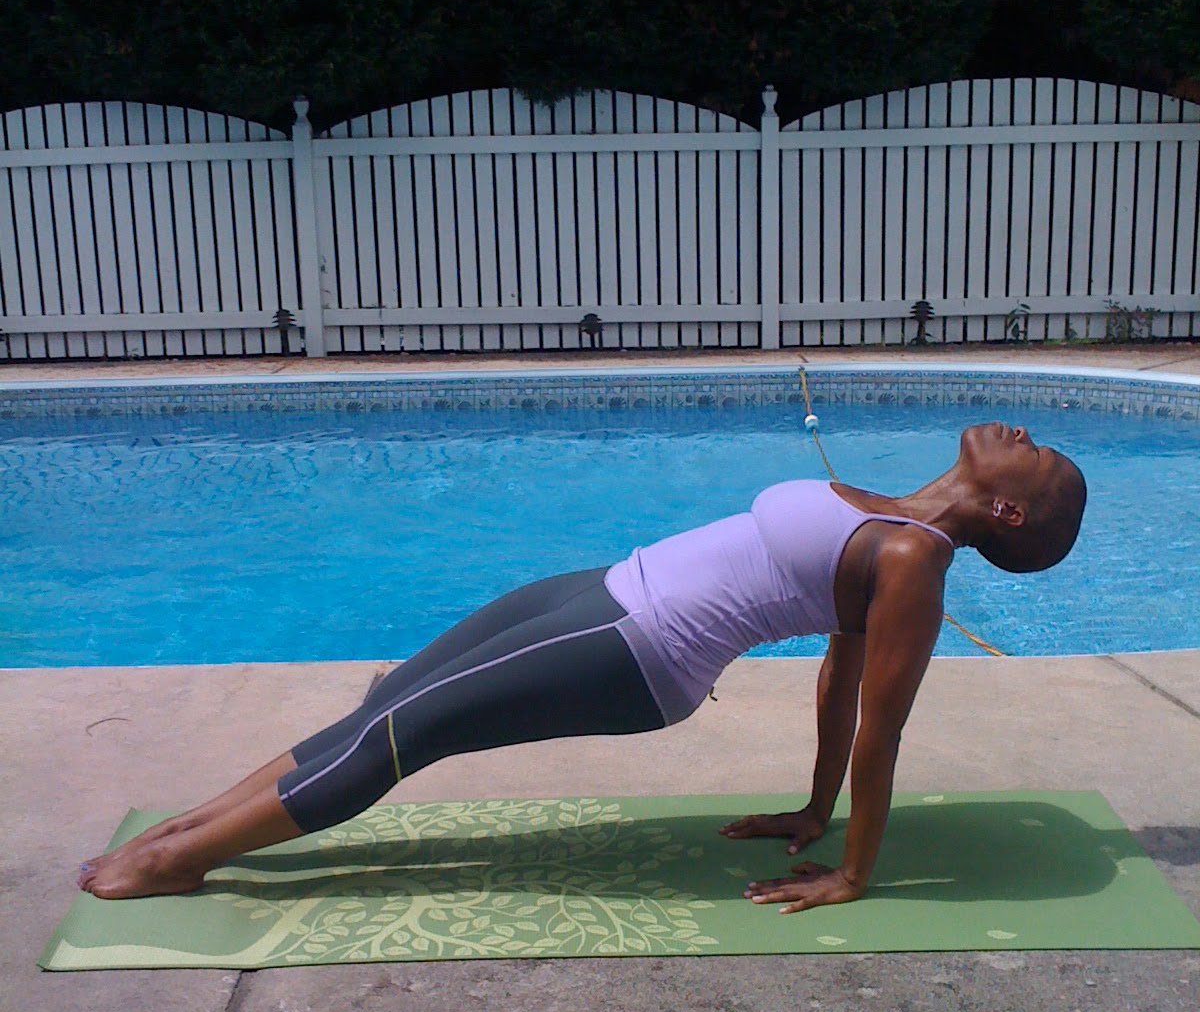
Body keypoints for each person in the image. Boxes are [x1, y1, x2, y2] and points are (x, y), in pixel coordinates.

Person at [77, 421, 1085, 910]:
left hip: (640, 650)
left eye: (1035, 454)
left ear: (1008, 511)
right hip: (609, 588)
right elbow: (835, 674)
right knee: (393, 696)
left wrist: (852, 869)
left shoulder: (913, 561)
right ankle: (197, 825)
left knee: (407, 730)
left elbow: (876, 722)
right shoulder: (893, 515)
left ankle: (180, 863)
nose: (1020, 434)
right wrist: (809, 808)